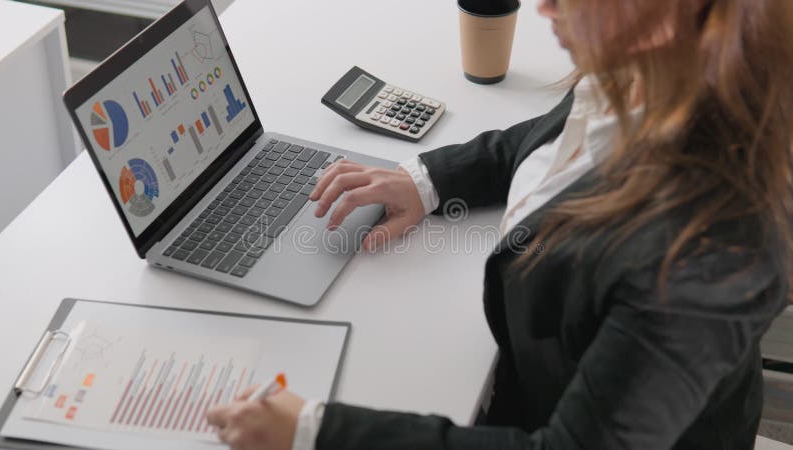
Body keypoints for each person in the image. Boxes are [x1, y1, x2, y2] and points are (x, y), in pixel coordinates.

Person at [206, 0, 793, 448]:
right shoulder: (646, 75)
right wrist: (428, 179)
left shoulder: (702, 264)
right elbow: (542, 142)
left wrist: (315, 431)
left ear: (657, 20)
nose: (543, 7)